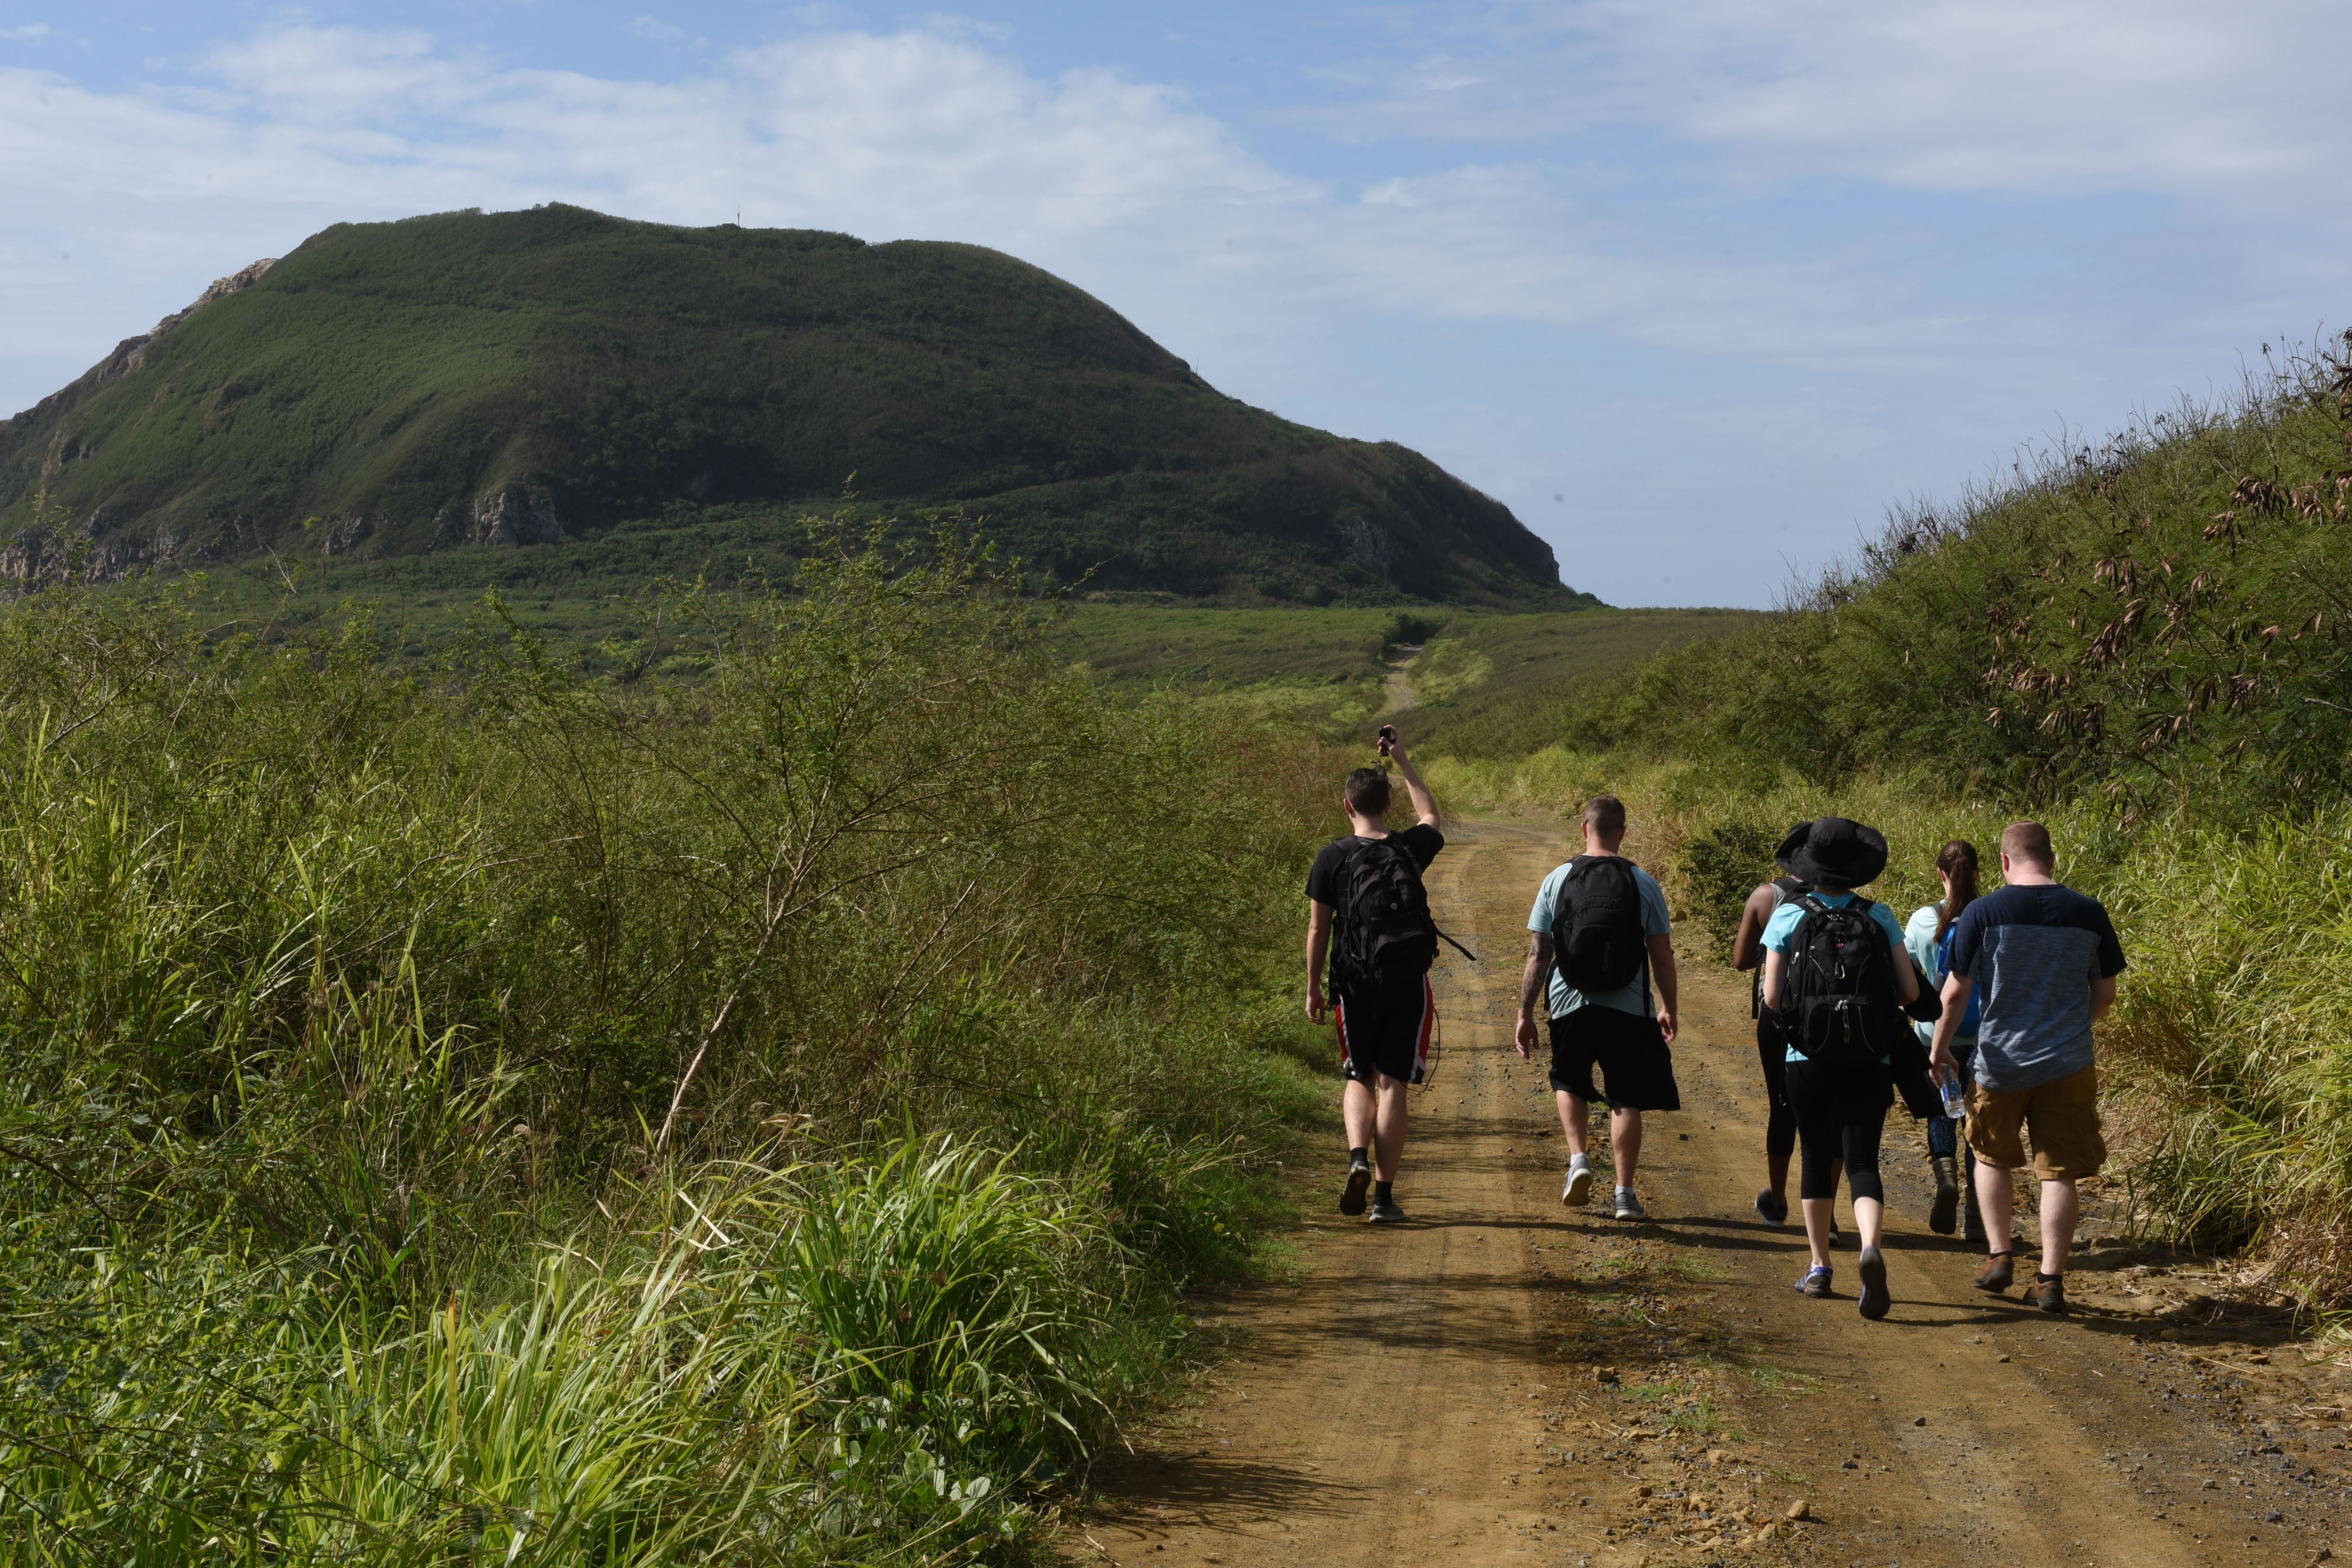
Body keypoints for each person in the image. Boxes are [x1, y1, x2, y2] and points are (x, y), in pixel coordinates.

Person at [1929, 820, 2125, 1314]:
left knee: (1990, 1156)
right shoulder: (2089, 912)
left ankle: (2000, 1256)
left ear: (2003, 861)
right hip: (2069, 1063)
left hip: (2000, 1062)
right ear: (2052, 859)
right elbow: (2105, 994)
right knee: (2058, 1172)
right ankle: (2050, 1280)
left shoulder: (1983, 912)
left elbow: (1954, 993)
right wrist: (2069, 1029)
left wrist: (1939, 1049)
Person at [1759, 817, 1920, 1320]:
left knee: (1814, 1156)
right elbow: (1910, 993)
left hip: (1806, 1057)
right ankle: (1870, 1245)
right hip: (1871, 1057)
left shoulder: (1789, 914)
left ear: (1809, 866)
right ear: (1856, 868)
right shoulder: (1880, 915)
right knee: (1863, 1160)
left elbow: (1771, 997)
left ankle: (1820, 1267)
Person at [1513, 794, 1679, 1222]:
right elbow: (1661, 955)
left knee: (1569, 1081)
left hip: (1569, 1003)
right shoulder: (1643, 882)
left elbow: (1539, 955)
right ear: (1622, 833)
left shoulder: (1557, 879)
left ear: (1584, 829)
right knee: (1626, 1096)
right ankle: (1625, 1194)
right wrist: (1669, 1006)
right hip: (1629, 1007)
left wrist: (1525, 1013)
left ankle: (1579, 1160)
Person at [1305, 733, 1444, 1225]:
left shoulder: (1332, 857)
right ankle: (1384, 1200)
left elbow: (1319, 928)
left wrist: (1313, 988)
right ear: (1389, 805)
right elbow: (1431, 815)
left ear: (1347, 806)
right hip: (1406, 978)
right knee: (1392, 1084)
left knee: (1358, 1074)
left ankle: (1357, 1157)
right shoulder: (1409, 847)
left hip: (1353, 982)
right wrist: (1401, 757)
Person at [1902, 840, 1985, 1240]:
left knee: (1942, 1112)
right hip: (1984, 1037)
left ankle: (1946, 1177)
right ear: (1979, 874)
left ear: (1941, 875)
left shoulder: (1922, 920)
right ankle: (1977, 1217)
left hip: (1934, 1035)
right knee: (1979, 1124)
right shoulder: (1993, 917)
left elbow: (1907, 977)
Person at [1729, 848, 1813, 1228]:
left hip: (1778, 1012)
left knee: (1782, 1107)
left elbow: (1741, 960)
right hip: (1833, 1017)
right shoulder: (1847, 900)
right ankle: (1825, 1212)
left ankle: (1778, 1202)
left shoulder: (1768, 896)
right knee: (1826, 1110)